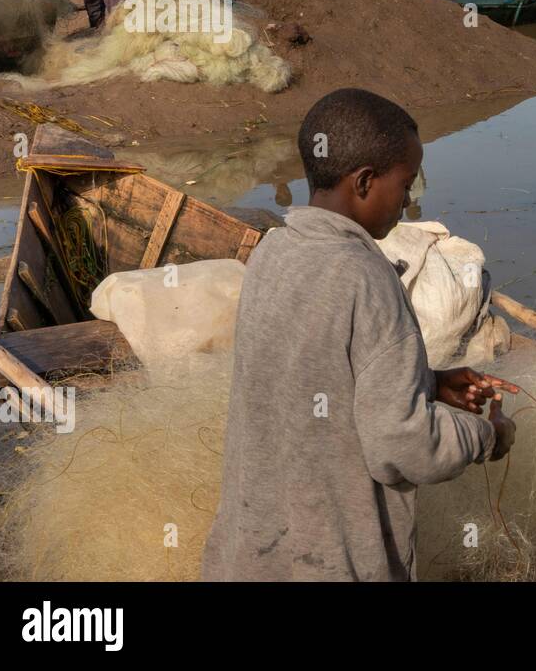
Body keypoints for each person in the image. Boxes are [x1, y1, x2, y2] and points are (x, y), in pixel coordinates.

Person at [202, 88, 517, 581]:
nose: (411, 199)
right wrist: (488, 437)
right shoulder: (366, 277)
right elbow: (405, 443)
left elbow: (310, 374)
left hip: (248, 560)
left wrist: (426, 382)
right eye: (407, 182)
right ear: (365, 182)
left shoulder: (274, 251)